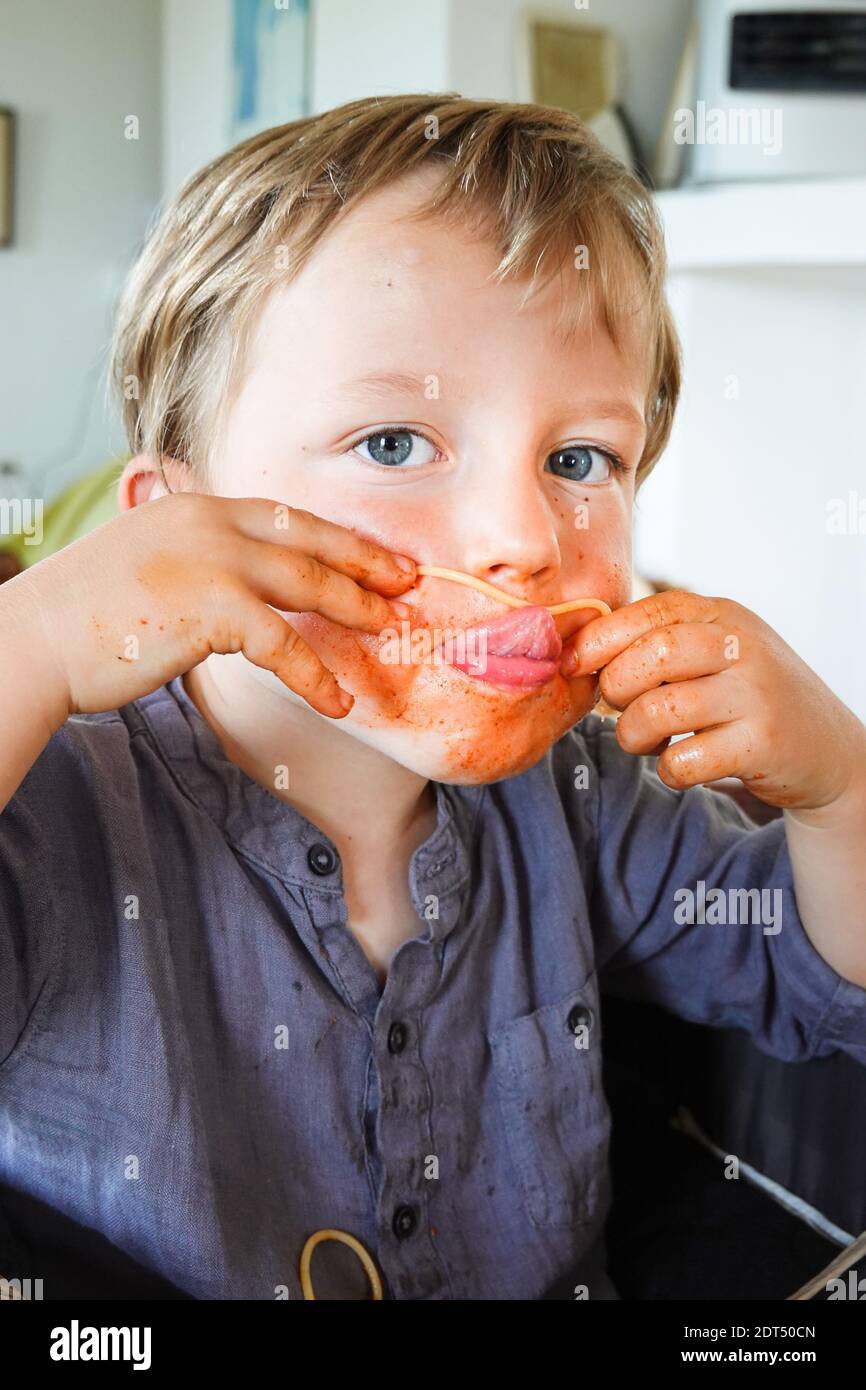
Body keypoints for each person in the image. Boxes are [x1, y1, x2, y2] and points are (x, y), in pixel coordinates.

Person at [1, 95, 864, 1301]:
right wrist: (27, 643)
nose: (519, 536)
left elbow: (824, 988)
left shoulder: (582, 792)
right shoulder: (61, 814)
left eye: (577, 462)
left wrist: (841, 790)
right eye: (395, 443)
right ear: (171, 525)